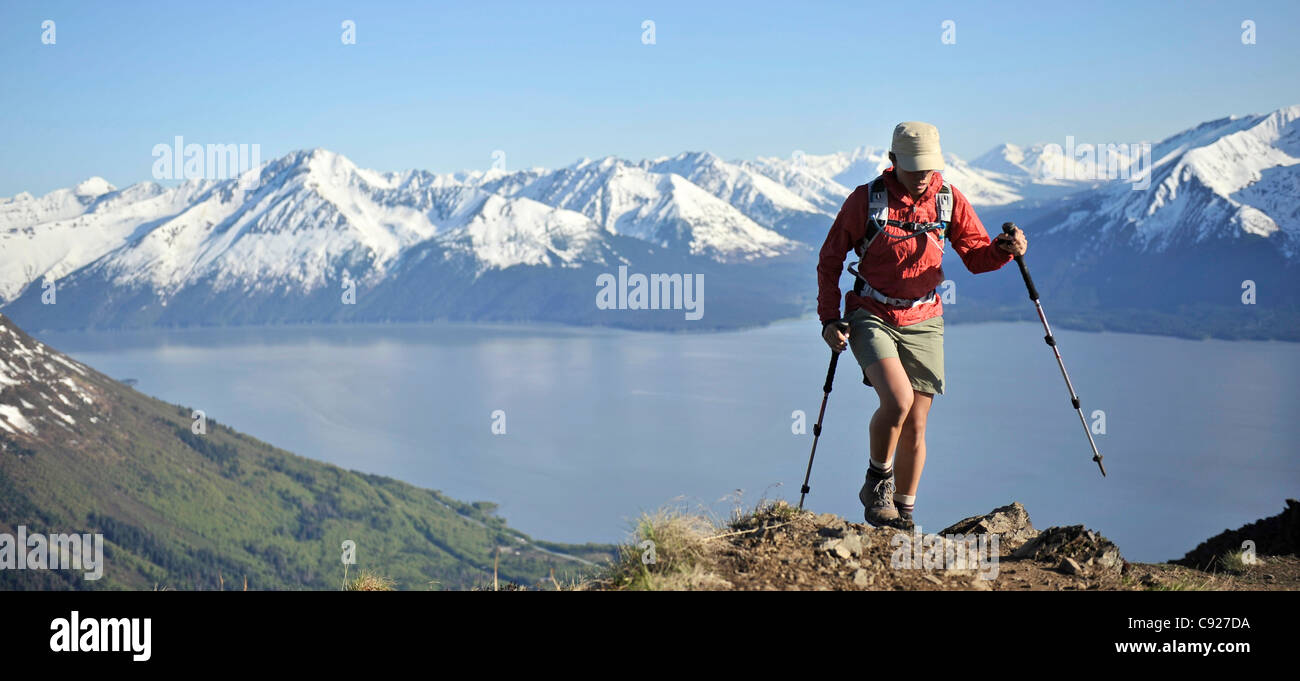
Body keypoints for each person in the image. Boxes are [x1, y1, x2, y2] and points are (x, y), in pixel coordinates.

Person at [816, 121, 1028, 530]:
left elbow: (976, 256)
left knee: (917, 421)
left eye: (927, 168)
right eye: (912, 168)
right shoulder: (866, 200)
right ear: (893, 161)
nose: (921, 177)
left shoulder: (948, 199)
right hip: (871, 313)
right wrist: (829, 318)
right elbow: (829, 261)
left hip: (925, 317)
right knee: (897, 401)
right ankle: (877, 482)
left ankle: (905, 514)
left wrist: (1005, 250)